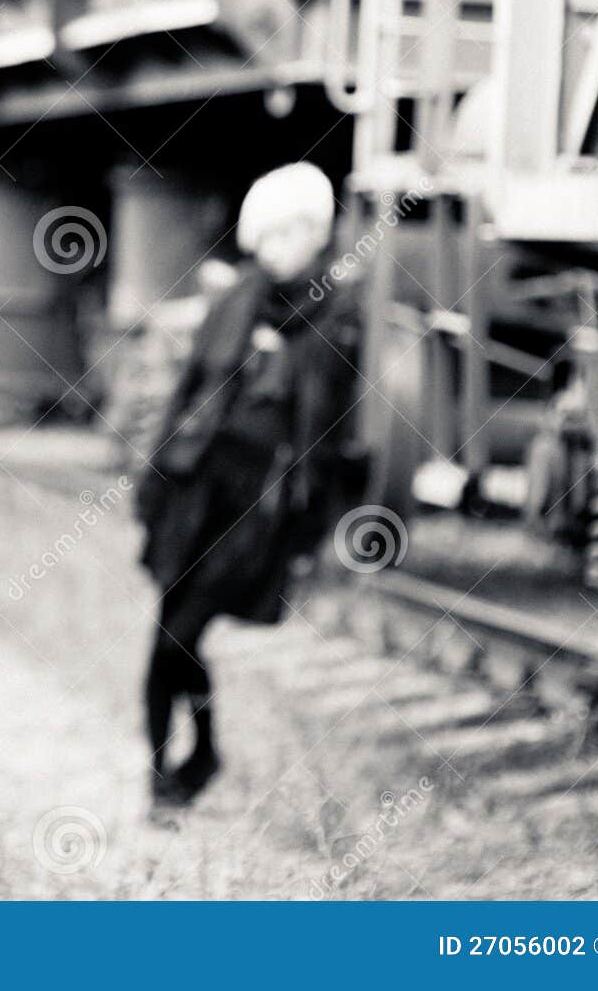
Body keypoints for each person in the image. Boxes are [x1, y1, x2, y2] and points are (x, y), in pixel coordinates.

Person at [134, 162, 361, 806]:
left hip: (258, 508)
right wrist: (153, 479)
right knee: (168, 637)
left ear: (315, 233)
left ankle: (191, 764)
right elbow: (187, 395)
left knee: (179, 634)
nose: (273, 249)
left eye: (287, 233)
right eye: (266, 236)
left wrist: (316, 528)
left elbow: (335, 431)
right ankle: (173, 770)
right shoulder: (234, 300)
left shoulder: (339, 315)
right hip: (195, 490)